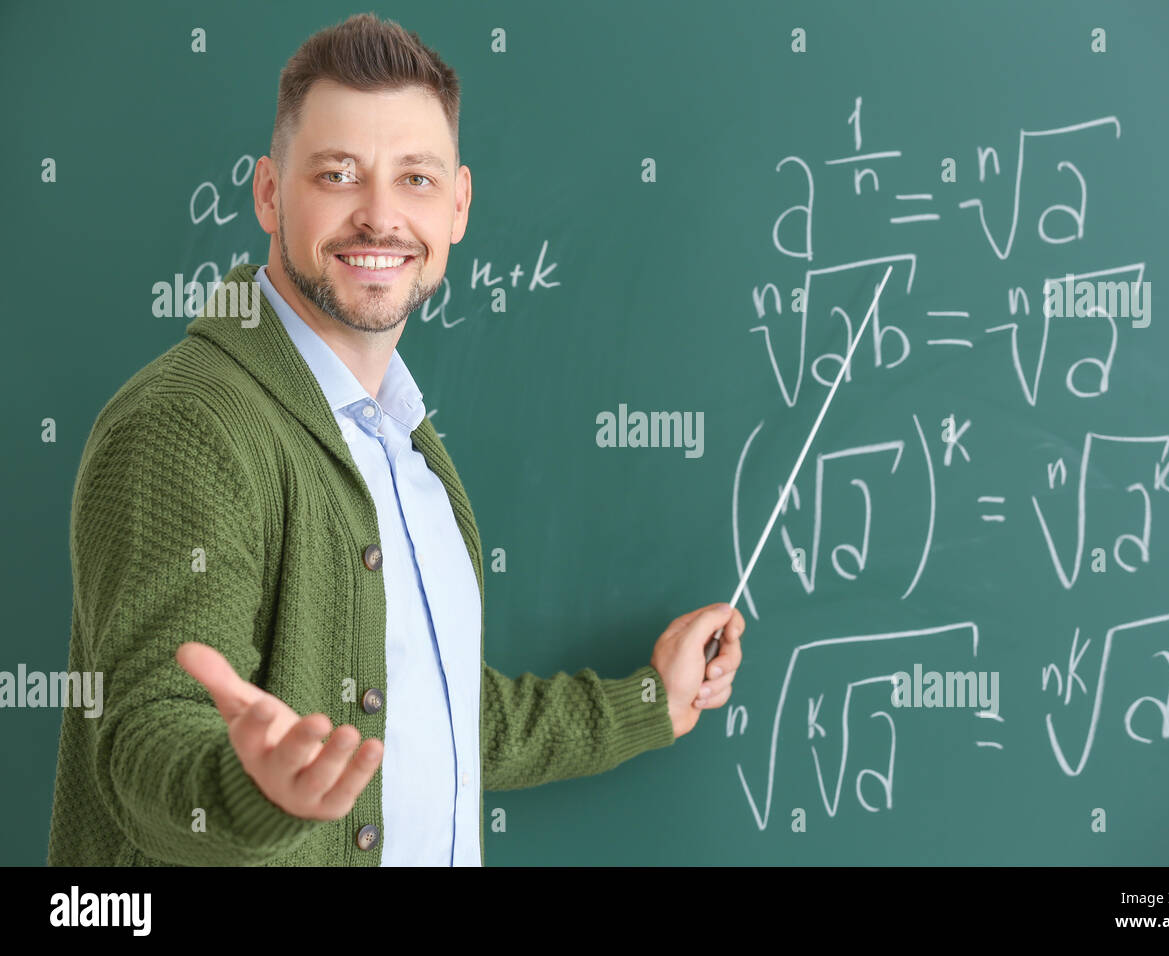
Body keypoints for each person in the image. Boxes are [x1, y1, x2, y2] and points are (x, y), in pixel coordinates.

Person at [46, 12, 743, 867]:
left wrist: (649, 702)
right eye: (338, 174)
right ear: (269, 192)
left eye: (415, 179)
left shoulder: (403, 445)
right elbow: (146, 744)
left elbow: (433, 720)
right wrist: (247, 786)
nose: (379, 218)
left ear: (457, 206)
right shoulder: (189, 425)